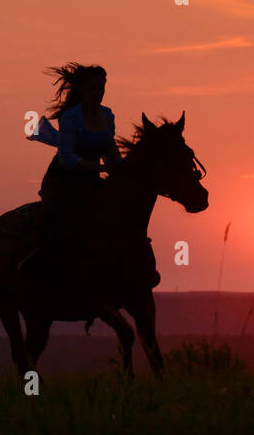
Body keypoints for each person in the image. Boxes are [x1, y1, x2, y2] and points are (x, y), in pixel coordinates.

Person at [21, 63, 159, 291]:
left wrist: (124, 171)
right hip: (64, 180)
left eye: (102, 88)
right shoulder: (70, 118)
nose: (99, 93)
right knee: (60, 218)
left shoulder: (107, 115)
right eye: (94, 89)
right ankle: (35, 263)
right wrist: (97, 168)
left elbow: (111, 152)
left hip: (91, 177)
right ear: (82, 91)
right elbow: (67, 158)